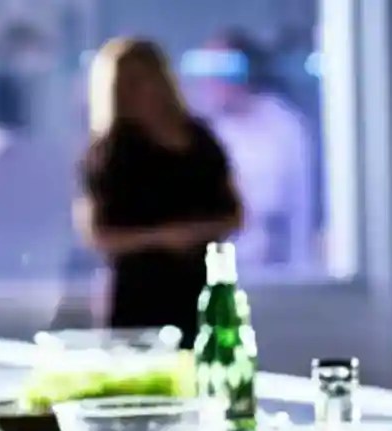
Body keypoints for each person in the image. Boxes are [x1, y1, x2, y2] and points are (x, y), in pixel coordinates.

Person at [76, 38, 243, 346]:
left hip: (199, 288)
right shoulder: (110, 153)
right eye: (128, 83)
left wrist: (193, 233)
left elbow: (234, 214)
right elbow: (98, 233)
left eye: (144, 79)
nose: (140, 91)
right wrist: (162, 238)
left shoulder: (200, 141)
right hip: (137, 296)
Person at [191, 29, 317, 276]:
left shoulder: (283, 126)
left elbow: (300, 207)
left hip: (274, 269)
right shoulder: (204, 131)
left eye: (222, 70)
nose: (211, 82)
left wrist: (300, 267)